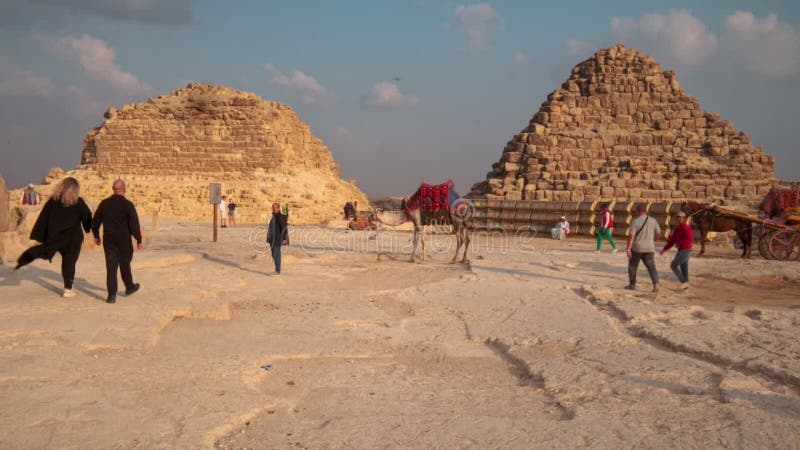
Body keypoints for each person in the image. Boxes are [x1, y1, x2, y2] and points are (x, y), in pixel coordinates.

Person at [15, 177, 92, 298]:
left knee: (46, 250)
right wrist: (88, 228)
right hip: (73, 238)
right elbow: (87, 217)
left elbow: (44, 218)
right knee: (69, 261)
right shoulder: (78, 202)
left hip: (57, 238)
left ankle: (31, 254)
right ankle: (67, 289)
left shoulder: (53, 201)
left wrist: (44, 236)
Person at [91, 180, 142, 304]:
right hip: (124, 240)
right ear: (124, 189)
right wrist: (139, 239)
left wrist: (96, 236)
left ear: (113, 189)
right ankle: (129, 286)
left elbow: (95, 222)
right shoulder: (128, 205)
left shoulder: (104, 203)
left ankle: (111, 295)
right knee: (125, 263)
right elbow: (134, 225)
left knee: (111, 267)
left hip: (109, 240)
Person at [626, 204, 661, 293]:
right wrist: (655, 239)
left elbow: (631, 237)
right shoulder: (653, 221)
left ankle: (632, 285)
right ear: (646, 211)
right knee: (651, 267)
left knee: (633, 267)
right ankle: (656, 284)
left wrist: (628, 249)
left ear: (637, 212)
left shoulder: (635, 222)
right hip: (649, 248)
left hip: (637, 248)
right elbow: (658, 233)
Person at [660, 211, 693, 290]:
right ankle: (686, 283)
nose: (679, 219)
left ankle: (683, 282)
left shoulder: (686, 227)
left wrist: (679, 242)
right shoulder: (678, 229)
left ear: (684, 218)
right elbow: (672, 241)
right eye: (678, 217)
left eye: (681, 217)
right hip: (681, 250)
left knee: (673, 265)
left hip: (686, 250)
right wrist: (664, 249)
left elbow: (690, 238)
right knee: (684, 267)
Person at [267, 202, 288, 274]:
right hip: (272, 239)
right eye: (273, 208)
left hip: (277, 238)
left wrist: (284, 238)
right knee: (273, 254)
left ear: (279, 208)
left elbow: (284, 227)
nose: (274, 209)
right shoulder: (274, 216)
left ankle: (277, 270)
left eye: (276, 208)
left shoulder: (280, 216)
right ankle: (277, 269)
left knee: (277, 254)